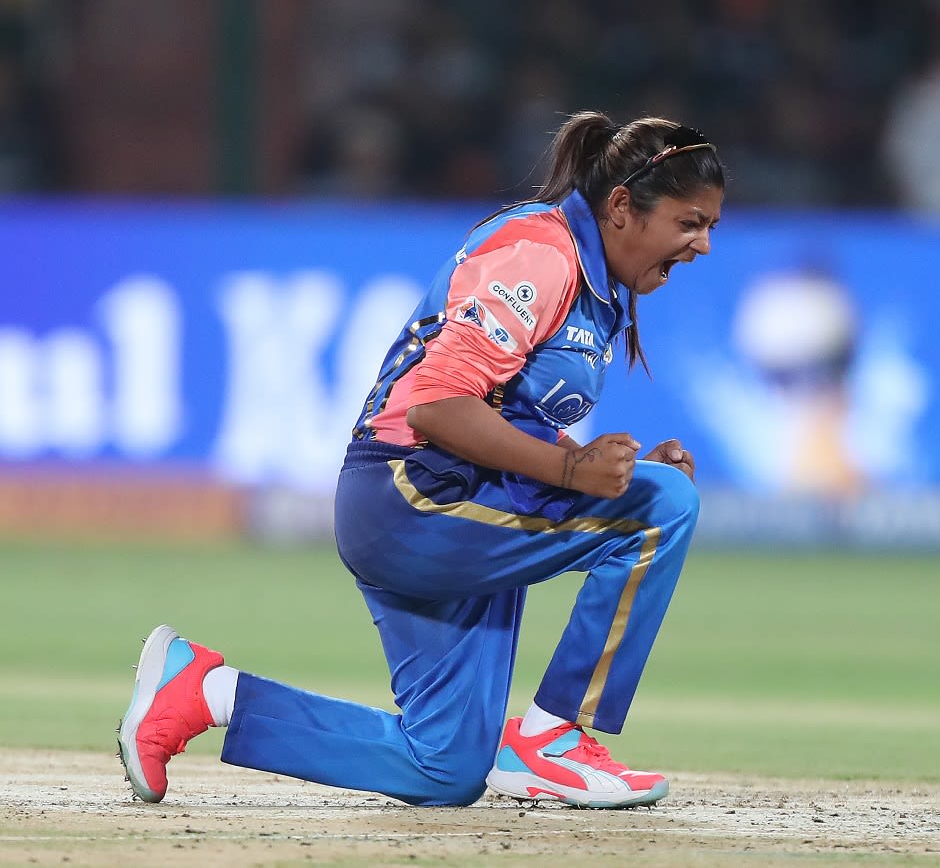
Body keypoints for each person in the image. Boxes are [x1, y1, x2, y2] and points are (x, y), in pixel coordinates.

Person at [117, 110, 726, 809]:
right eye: (690, 221)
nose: (704, 244)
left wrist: (597, 466)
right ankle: (552, 737)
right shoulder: (542, 253)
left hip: (457, 500)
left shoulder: (598, 281)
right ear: (622, 206)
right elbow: (437, 406)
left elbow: (509, 413)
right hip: (412, 495)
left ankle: (198, 690)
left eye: (709, 225)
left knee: (444, 766)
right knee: (663, 510)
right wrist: (574, 476)